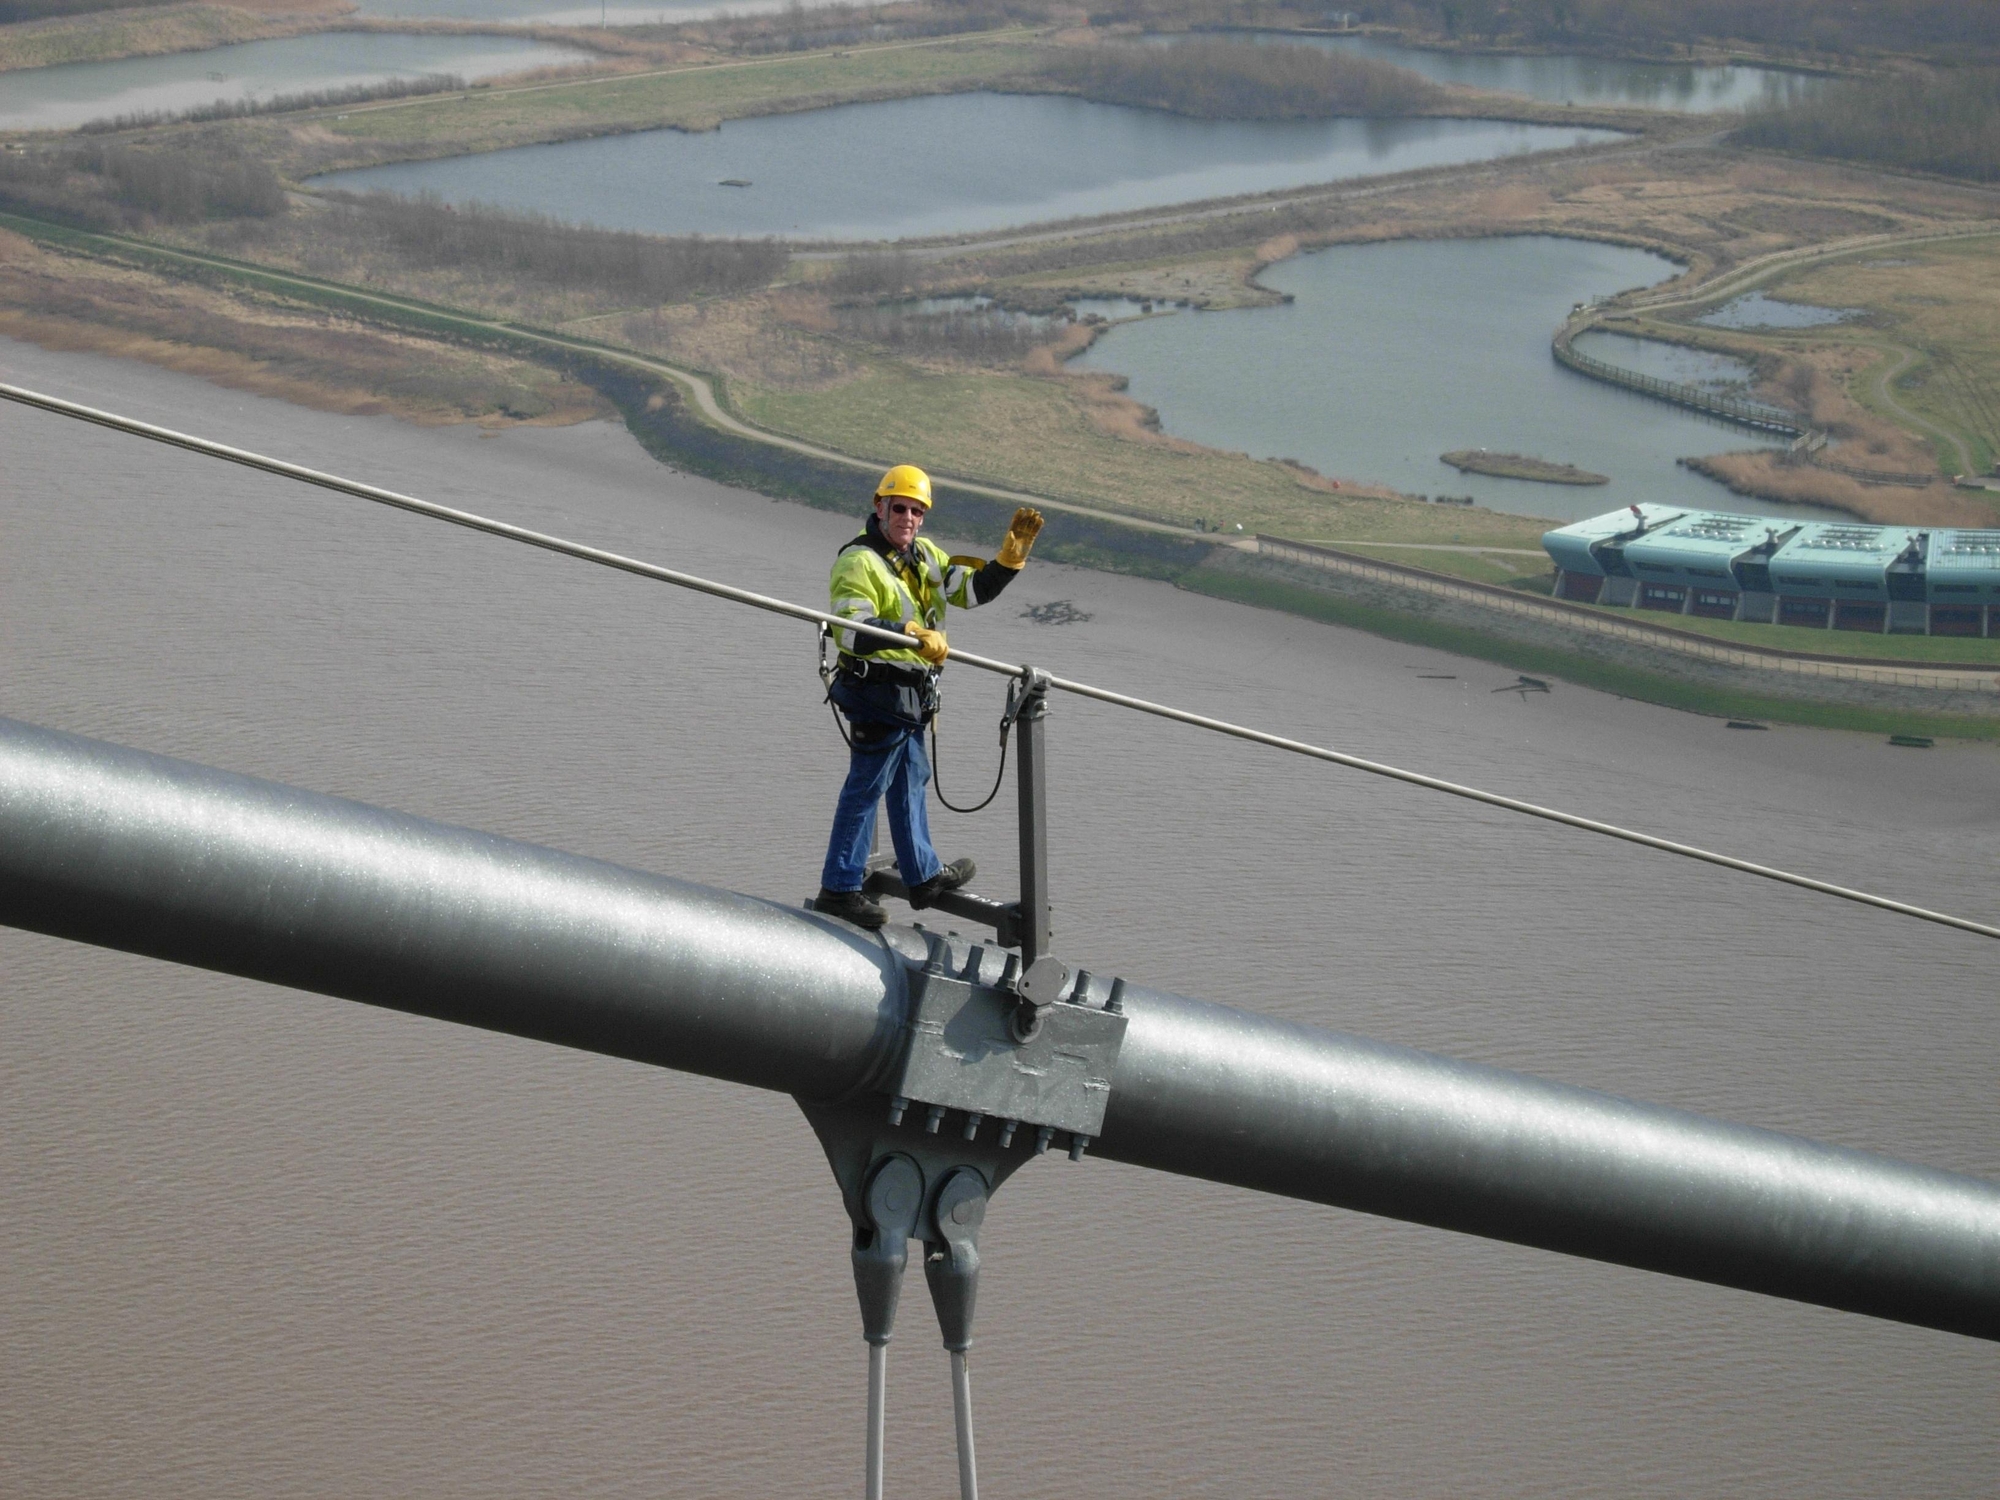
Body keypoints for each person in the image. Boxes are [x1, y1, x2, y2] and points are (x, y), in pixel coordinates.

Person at [811, 464, 1043, 929]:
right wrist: (910, 633)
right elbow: (851, 633)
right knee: (869, 784)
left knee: (910, 777)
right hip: (876, 689)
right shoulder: (858, 562)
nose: (909, 518)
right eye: (900, 508)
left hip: (907, 695)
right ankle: (838, 888)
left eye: (918, 511)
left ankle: (921, 875)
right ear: (880, 507)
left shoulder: (925, 556)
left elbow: (971, 590)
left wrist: (1010, 560)